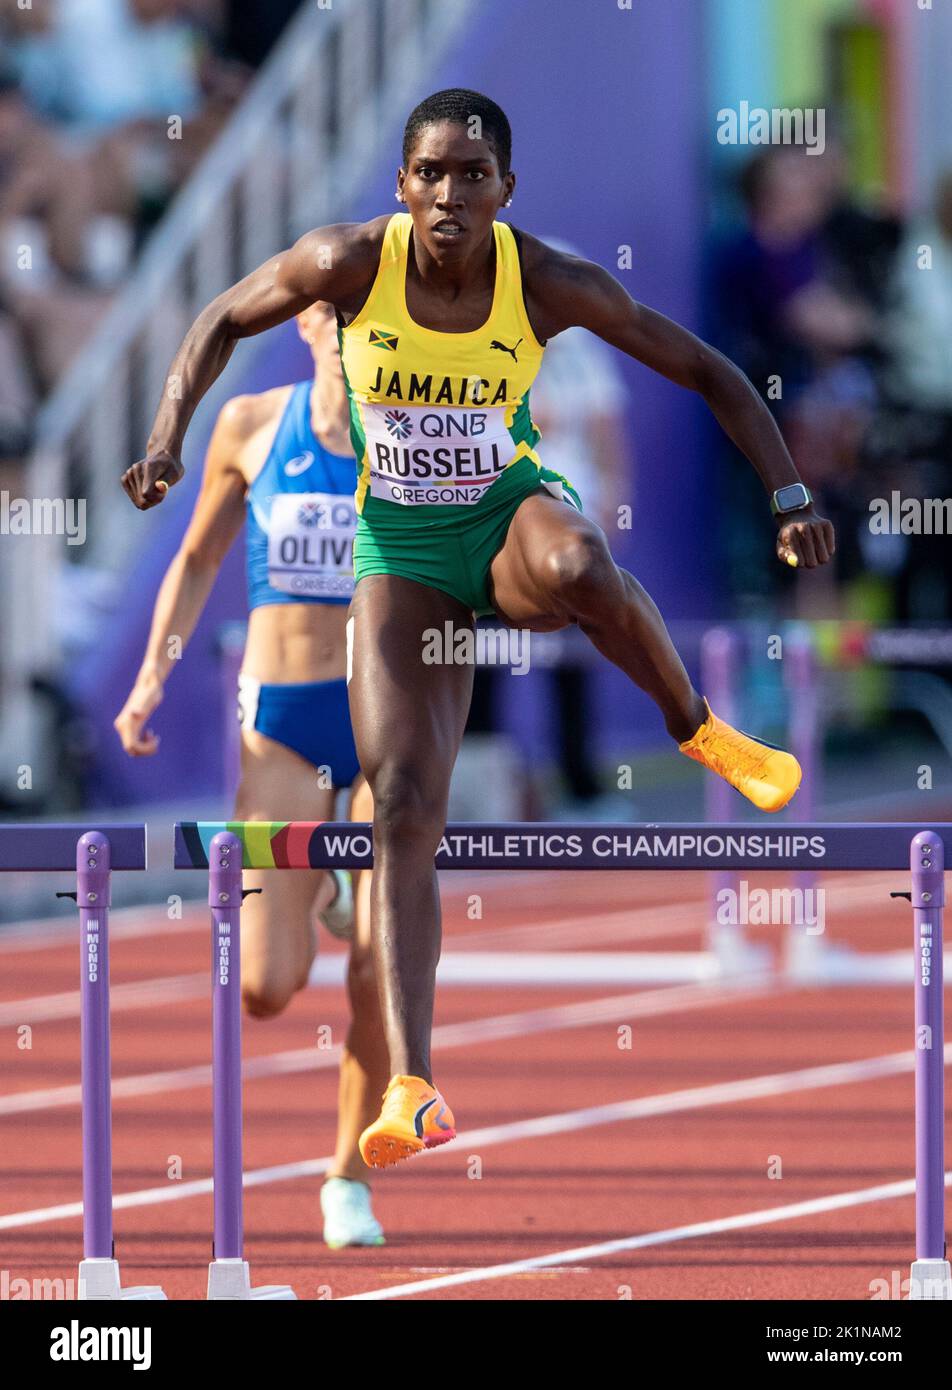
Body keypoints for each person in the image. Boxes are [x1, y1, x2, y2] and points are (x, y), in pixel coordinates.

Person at [121, 88, 835, 1170]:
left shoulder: (545, 280)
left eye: (472, 175)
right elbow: (220, 316)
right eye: (430, 174)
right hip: (400, 554)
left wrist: (788, 496)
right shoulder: (346, 263)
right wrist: (168, 435)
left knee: (581, 560)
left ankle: (700, 729)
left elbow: (706, 370)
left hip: (503, 519)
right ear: (401, 184)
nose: (450, 194)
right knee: (405, 803)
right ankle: (413, 1083)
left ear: (507, 190)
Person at [114, 301, 389, 1244]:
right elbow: (195, 559)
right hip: (284, 723)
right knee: (267, 989)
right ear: (309, 327)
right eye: (342, 326)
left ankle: (346, 1177)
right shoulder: (250, 426)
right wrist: (153, 676)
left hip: (388, 725)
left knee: (384, 967)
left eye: (376, 328)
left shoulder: (413, 445)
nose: (358, 346)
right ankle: (321, 894)